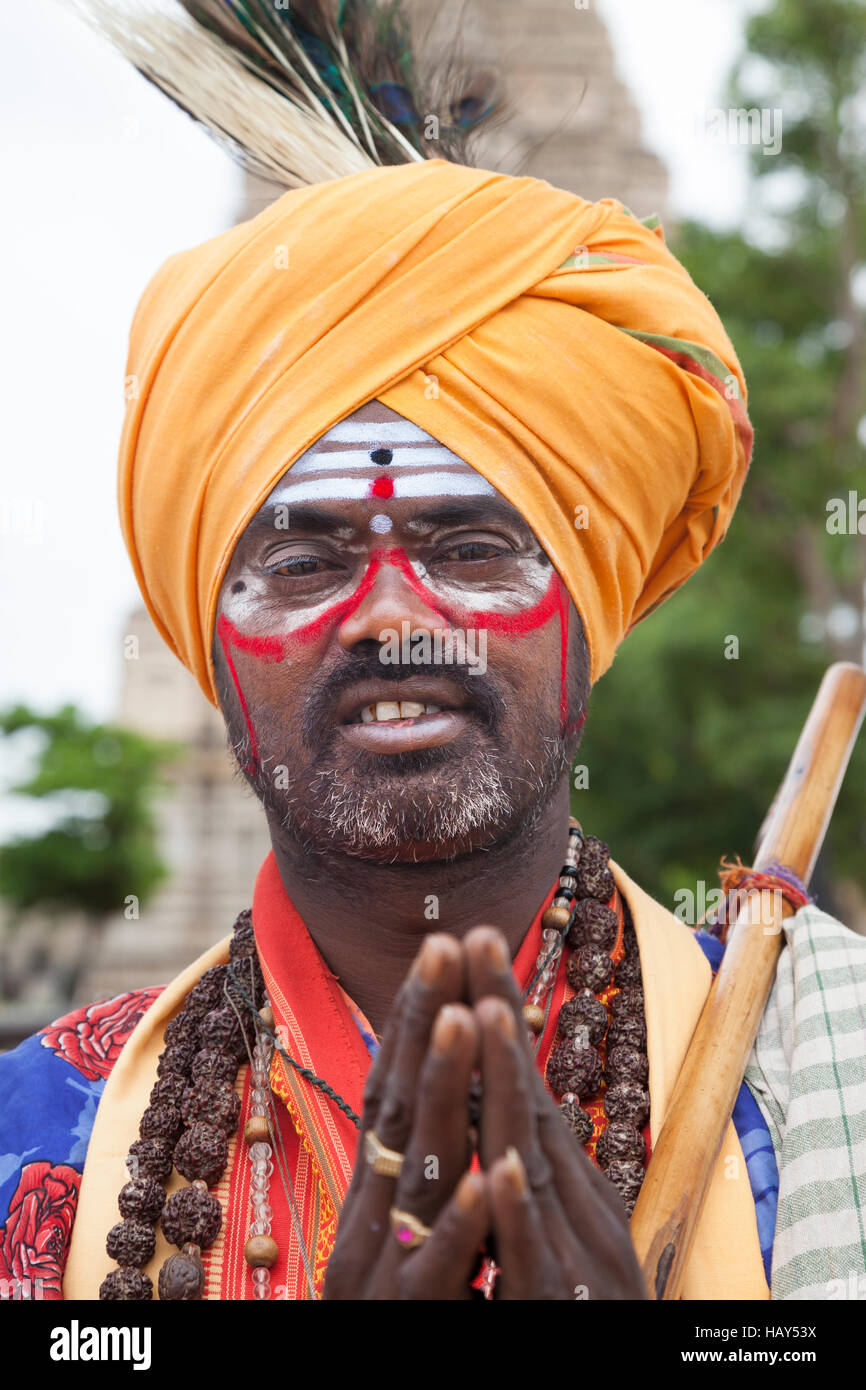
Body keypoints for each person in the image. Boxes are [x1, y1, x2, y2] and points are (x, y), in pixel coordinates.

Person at [2, 6, 864, 1305]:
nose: (391, 614)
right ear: (203, 630)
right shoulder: (37, 1136)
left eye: (471, 546)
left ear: (590, 604)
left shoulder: (827, 1071)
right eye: (301, 558)